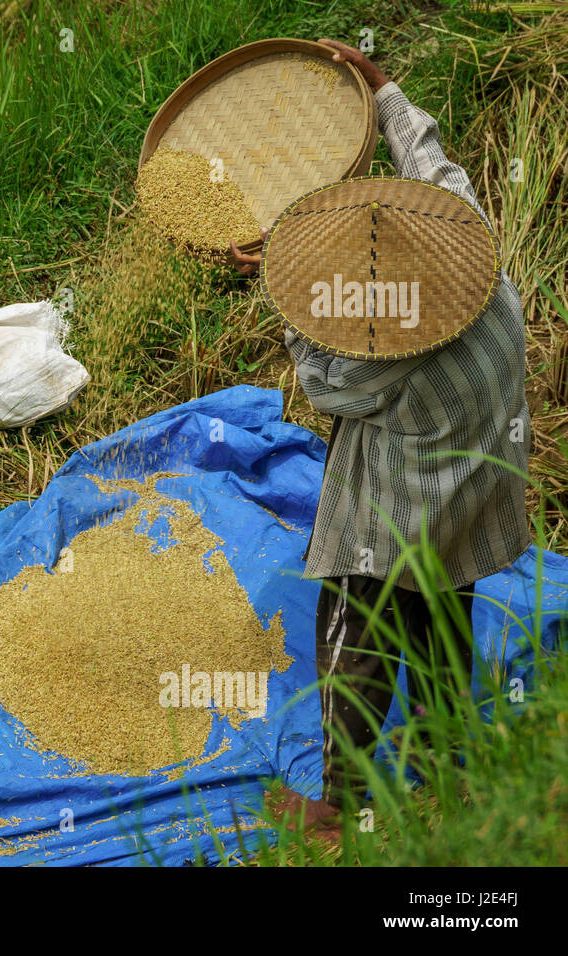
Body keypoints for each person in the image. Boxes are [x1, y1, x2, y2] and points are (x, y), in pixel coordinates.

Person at [230, 38, 531, 841]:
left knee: (353, 635)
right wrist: (384, 87)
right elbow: (434, 166)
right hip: (476, 495)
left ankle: (337, 804)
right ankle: (442, 774)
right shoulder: (478, 261)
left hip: (395, 523)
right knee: (445, 621)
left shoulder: (383, 362)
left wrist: (275, 278)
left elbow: (322, 379)